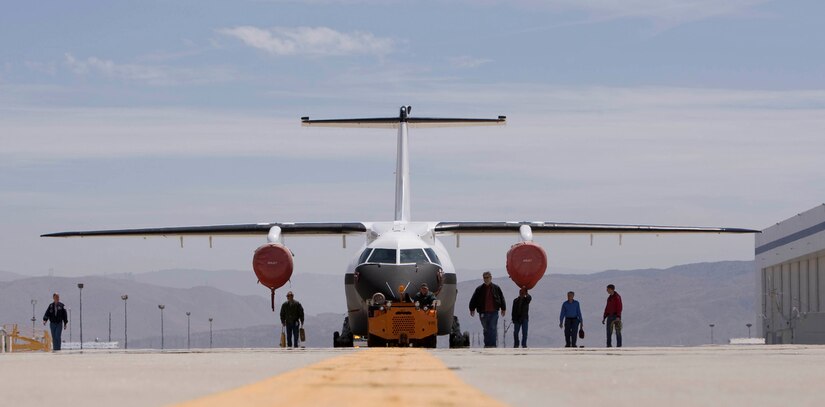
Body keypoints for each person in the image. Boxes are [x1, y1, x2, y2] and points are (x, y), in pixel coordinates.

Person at [469, 271, 506, 348]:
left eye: (487, 277)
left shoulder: (496, 288)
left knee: (492, 328)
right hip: (483, 312)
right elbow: (474, 299)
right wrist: (472, 308)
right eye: (484, 278)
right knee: (486, 329)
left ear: (491, 278)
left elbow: (501, 298)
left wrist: (503, 308)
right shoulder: (479, 289)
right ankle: (487, 344)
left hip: (494, 312)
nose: (486, 279)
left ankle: (492, 345)